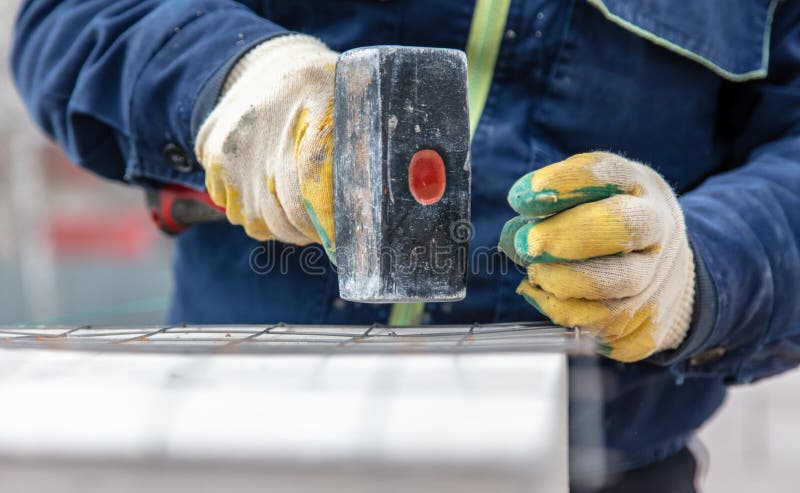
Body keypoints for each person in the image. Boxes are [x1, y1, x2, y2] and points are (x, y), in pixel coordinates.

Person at [11, 1, 800, 491]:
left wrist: (700, 265)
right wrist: (234, 80)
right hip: (238, 448)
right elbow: (75, 13)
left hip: (597, 463)